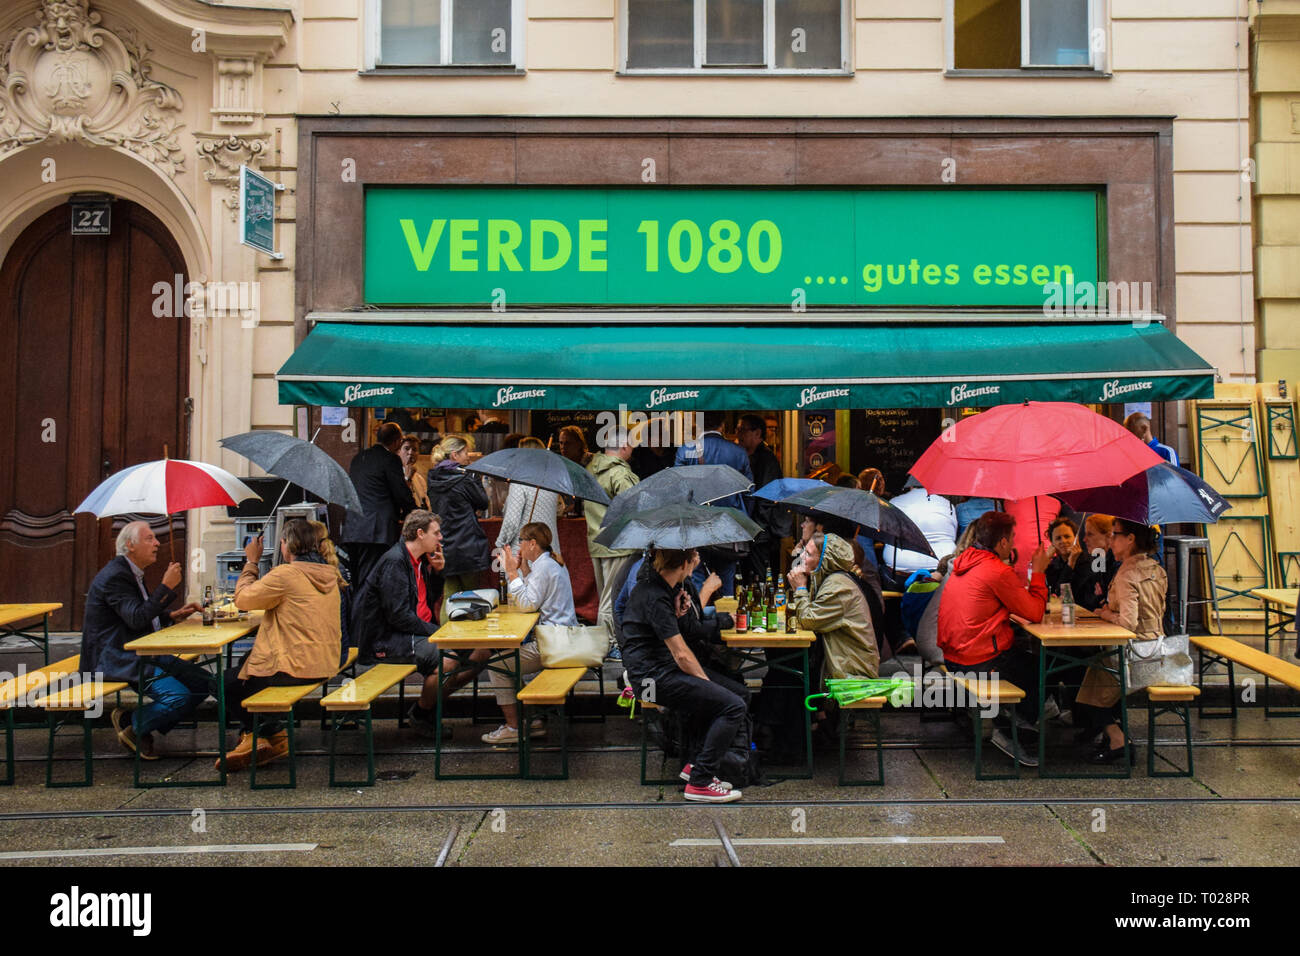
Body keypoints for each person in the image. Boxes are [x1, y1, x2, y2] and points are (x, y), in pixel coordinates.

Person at [621, 547, 748, 803]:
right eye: (694, 559)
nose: (698, 562)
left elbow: (679, 633)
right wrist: (706, 684)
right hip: (648, 681)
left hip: (659, 671)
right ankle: (700, 782)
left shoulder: (664, 590)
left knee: (735, 693)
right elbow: (681, 654)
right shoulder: (654, 595)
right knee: (732, 705)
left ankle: (695, 766)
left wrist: (680, 614)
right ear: (685, 565)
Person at [352, 510, 489, 739]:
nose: (440, 538)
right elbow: (399, 617)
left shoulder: (417, 561)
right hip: (389, 640)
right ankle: (422, 714)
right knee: (447, 662)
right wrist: (439, 634)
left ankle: (430, 703)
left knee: (481, 653)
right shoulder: (395, 562)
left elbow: (427, 600)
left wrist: (437, 573)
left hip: (415, 633)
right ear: (420, 533)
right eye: (436, 533)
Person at [225, 519, 343, 770]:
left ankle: (260, 735)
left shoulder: (286, 574)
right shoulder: (328, 573)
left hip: (294, 668)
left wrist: (251, 562)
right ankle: (266, 734)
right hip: (324, 661)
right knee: (245, 665)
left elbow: (243, 600)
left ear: (287, 545)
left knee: (226, 684)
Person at [937, 511, 1050, 767]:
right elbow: (1034, 612)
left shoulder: (965, 562)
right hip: (979, 662)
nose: (1013, 545)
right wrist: (1039, 572)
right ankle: (1009, 728)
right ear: (1001, 543)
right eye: (1011, 539)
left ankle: (1011, 719)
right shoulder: (997, 571)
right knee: (1045, 669)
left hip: (955, 656)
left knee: (1024, 659)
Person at [84, 521, 206, 759]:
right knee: (178, 696)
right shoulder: (115, 577)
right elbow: (137, 618)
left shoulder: (130, 572)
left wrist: (171, 616)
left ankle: (134, 723)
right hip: (117, 657)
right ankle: (135, 724)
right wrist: (165, 586)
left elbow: (138, 613)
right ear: (130, 545)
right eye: (149, 538)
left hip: (141, 650)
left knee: (205, 683)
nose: (158, 543)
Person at [1075, 517, 1168, 763]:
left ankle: (1118, 740)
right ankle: (1112, 736)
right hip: (1159, 650)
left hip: (1133, 656)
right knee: (1093, 675)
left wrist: (1105, 613)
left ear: (1130, 539)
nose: (1111, 541)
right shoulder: (1156, 569)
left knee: (1085, 684)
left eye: (1115, 535)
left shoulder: (1127, 573)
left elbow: (1129, 624)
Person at [483, 523, 579, 744]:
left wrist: (511, 571)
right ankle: (532, 719)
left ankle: (513, 727)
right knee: (508, 658)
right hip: (561, 638)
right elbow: (530, 596)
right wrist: (522, 569)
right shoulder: (549, 563)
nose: (519, 545)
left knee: (497, 666)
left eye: (521, 541)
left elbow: (526, 603)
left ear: (532, 543)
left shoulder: (545, 567)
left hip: (554, 644)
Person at [674, 411, 754, 596]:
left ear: (698, 425)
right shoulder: (738, 452)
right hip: (728, 528)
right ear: (723, 425)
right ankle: (726, 619)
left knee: (695, 576)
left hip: (695, 526)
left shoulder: (685, 450)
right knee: (726, 579)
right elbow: (750, 493)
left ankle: (698, 617)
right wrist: (742, 520)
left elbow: (677, 491)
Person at [787, 533, 880, 683]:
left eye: (808, 554)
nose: (802, 556)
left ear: (824, 562)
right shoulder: (827, 580)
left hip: (852, 671)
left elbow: (809, 620)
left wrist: (800, 589)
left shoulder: (838, 586)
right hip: (841, 664)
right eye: (804, 550)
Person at [341, 421, 416, 590]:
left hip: (353, 528)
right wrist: (416, 512)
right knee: (372, 580)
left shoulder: (359, 457)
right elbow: (401, 492)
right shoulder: (390, 460)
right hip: (376, 532)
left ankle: (358, 614)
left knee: (358, 579)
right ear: (397, 441)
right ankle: (364, 615)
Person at [426, 434, 492, 604]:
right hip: (467, 545)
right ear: (454, 455)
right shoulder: (465, 478)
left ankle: (446, 631)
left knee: (450, 597)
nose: (468, 457)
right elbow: (483, 503)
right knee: (471, 598)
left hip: (444, 543)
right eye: (465, 453)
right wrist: (475, 477)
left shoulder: (433, 477)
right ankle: (469, 631)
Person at [585, 434, 641, 633]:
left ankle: (606, 642)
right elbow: (634, 507)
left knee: (604, 597)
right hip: (618, 544)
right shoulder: (619, 473)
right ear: (624, 445)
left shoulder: (590, 469)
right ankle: (608, 643)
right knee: (612, 599)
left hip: (597, 542)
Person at [736, 413, 785, 582]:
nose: (738, 434)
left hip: (762, 533)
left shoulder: (767, 459)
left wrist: (755, 528)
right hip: (753, 531)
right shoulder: (748, 456)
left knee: (761, 578)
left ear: (757, 433)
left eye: (743, 430)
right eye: (738, 429)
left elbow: (767, 498)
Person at [496, 437, 562, 557]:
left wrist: (501, 543)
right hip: (549, 550)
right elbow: (559, 510)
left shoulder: (520, 482)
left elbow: (511, 521)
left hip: (524, 551)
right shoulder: (551, 481)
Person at [880, 479, 958, 580]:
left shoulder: (893, 502)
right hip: (940, 571)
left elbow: (885, 534)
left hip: (898, 572)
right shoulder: (948, 505)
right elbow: (953, 535)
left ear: (910, 486)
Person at [311, 520, 353, 665]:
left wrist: (251, 563)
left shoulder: (311, 572)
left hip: (326, 655)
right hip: (341, 647)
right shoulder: (335, 567)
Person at [1068, 514, 1119, 611]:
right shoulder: (1098, 558)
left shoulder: (1116, 562)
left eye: (1090, 534)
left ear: (1108, 536)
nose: (1084, 539)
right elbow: (1081, 598)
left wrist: (1099, 599)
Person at [1044, 515, 1080, 596]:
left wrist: (1071, 563)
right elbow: (1051, 592)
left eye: (1067, 536)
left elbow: (1063, 594)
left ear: (1076, 539)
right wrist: (1046, 559)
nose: (1063, 541)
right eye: (1058, 538)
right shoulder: (1054, 563)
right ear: (1052, 543)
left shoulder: (1087, 562)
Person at [400, 435, 430, 511]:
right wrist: (407, 478)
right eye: (406, 448)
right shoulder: (393, 475)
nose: (410, 453)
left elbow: (426, 503)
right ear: (398, 451)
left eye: (414, 449)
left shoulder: (419, 479)